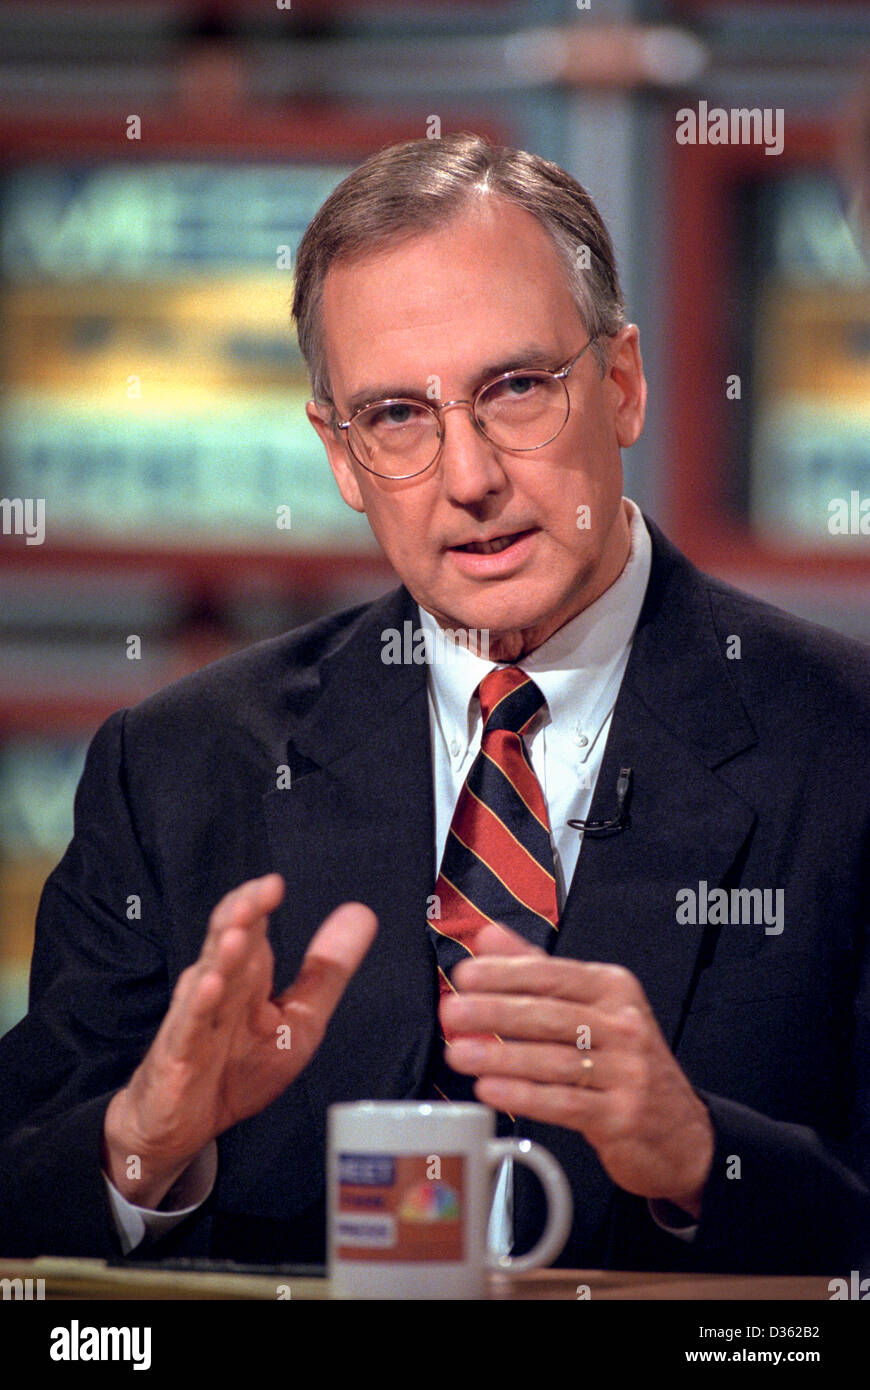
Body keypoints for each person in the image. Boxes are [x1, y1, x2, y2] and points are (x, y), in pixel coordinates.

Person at [1, 134, 868, 1276]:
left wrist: (706, 1157)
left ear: (621, 384)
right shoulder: (178, 769)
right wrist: (142, 1149)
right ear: (341, 457)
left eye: (514, 389)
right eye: (399, 416)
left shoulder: (845, 747)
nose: (469, 477)